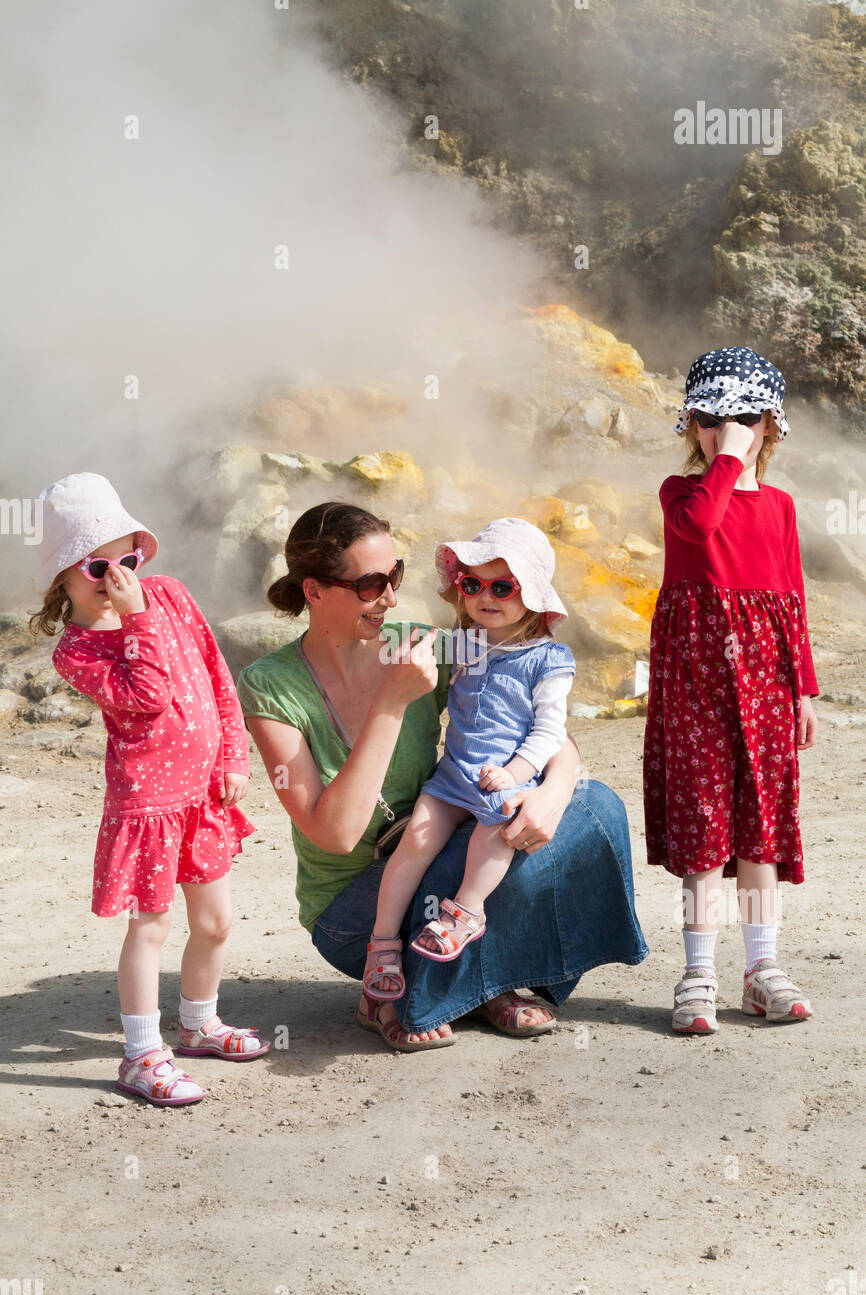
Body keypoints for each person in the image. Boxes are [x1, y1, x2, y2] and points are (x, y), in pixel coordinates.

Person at [237, 500, 648, 1052]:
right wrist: (391, 702)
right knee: (486, 846)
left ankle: (475, 982)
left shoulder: (419, 641)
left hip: (442, 855)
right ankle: (459, 983)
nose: (390, 598)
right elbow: (332, 833)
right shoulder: (271, 684)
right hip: (354, 914)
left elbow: (537, 724)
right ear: (313, 591)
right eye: (370, 584)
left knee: (591, 806)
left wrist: (552, 790)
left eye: (396, 576)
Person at [33, 472, 270, 1107]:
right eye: (97, 565)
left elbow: (219, 678)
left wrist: (234, 754)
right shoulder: (77, 651)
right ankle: (140, 1055)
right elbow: (148, 695)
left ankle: (197, 1023)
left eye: (128, 559)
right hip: (148, 805)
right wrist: (135, 618)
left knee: (216, 922)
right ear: (63, 577)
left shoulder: (169, 595)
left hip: (202, 795)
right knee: (152, 927)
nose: (118, 576)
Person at [643, 347, 818, 1035]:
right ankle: (699, 971)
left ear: (771, 425)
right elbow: (700, 528)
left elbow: (793, 598)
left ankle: (762, 966)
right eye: (713, 417)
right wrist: (725, 461)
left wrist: (803, 688)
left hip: (767, 680)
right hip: (695, 678)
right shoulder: (681, 493)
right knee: (704, 829)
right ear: (691, 425)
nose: (729, 429)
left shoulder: (779, 505)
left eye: (745, 417)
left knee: (759, 830)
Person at [362, 518, 576, 1006]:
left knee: (495, 834)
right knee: (414, 841)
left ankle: (467, 912)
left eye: (504, 586)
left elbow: (551, 731)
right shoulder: (465, 643)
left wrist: (517, 774)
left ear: (534, 597)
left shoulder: (548, 659)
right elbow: (398, 646)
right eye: (472, 584)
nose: (486, 596)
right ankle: (382, 943)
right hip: (453, 776)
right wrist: (369, 639)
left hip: (502, 778)